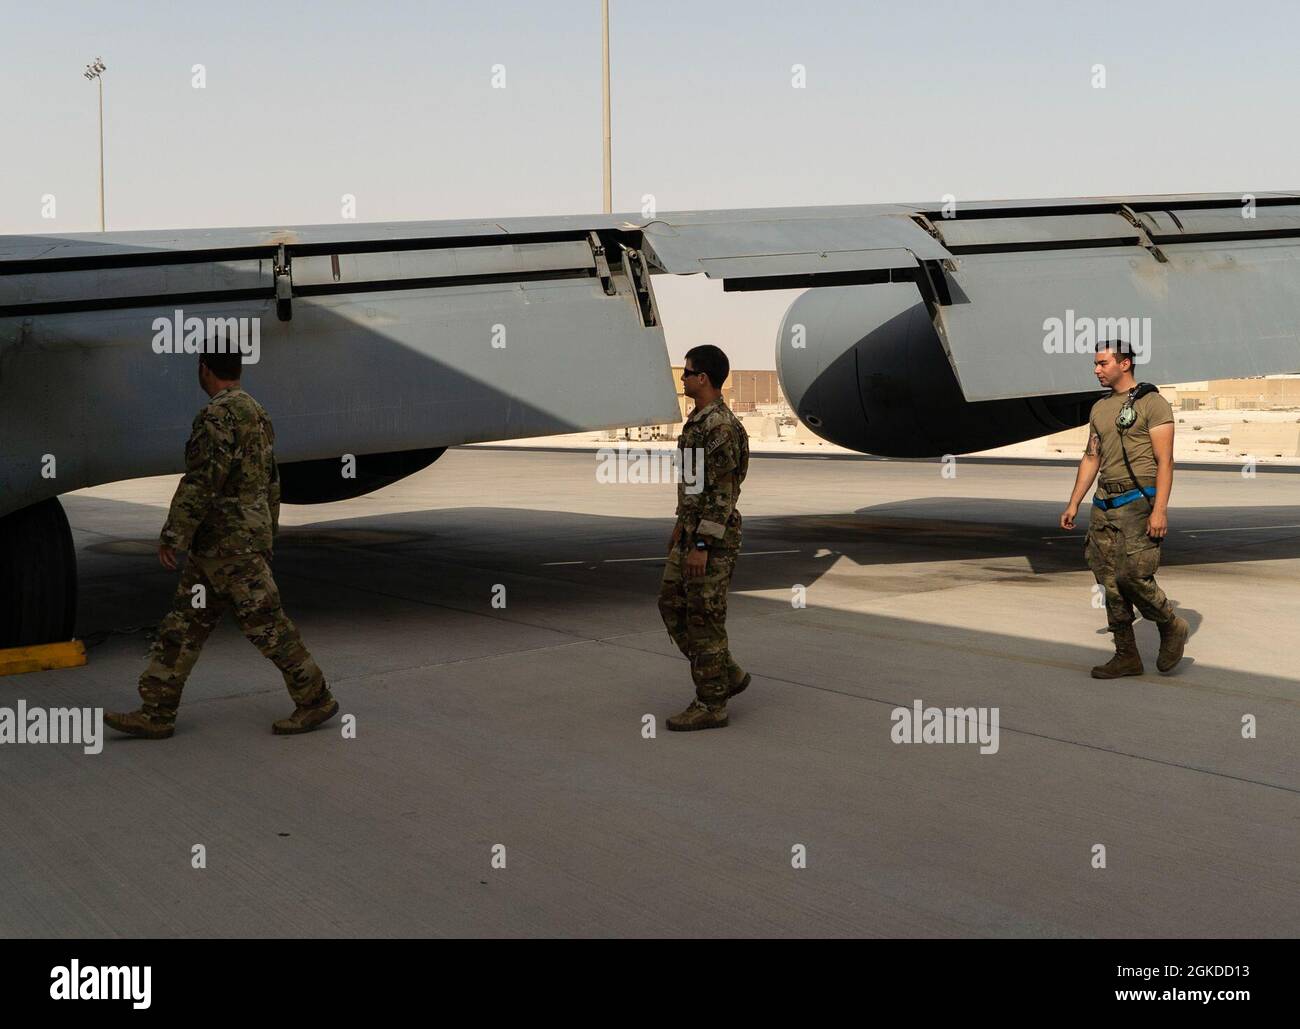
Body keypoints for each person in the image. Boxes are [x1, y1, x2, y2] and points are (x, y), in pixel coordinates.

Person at [105, 344, 336, 738]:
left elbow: (201, 481)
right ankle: (156, 711)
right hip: (226, 546)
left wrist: (174, 534)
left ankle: (315, 699)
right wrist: (267, 531)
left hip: (230, 549)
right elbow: (271, 481)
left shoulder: (216, 416)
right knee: (183, 626)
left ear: (204, 369)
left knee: (266, 625)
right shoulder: (256, 412)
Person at [1060, 340, 1189, 678]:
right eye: (1096, 363)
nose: (1096, 369)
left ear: (1125, 363)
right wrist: (1074, 502)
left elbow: (1166, 460)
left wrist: (1160, 509)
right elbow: (1092, 457)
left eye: (1102, 363)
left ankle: (1170, 623)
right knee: (1109, 582)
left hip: (1138, 501)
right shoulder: (1100, 409)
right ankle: (1127, 656)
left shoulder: (1153, 404)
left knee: (1132, 575)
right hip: (1104, 503)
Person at [658, 345, 751, 730]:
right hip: (691, 533)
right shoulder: (697, 422)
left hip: (711, 540)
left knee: (704, 620)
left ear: (704, 379)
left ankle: (712, 704)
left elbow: (722, 495)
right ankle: (725, 673)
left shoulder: (720, 427)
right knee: (670, 603)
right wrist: (682, 526)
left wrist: (701, 545)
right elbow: (695, 486)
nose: (683, 377)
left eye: (688, 372)